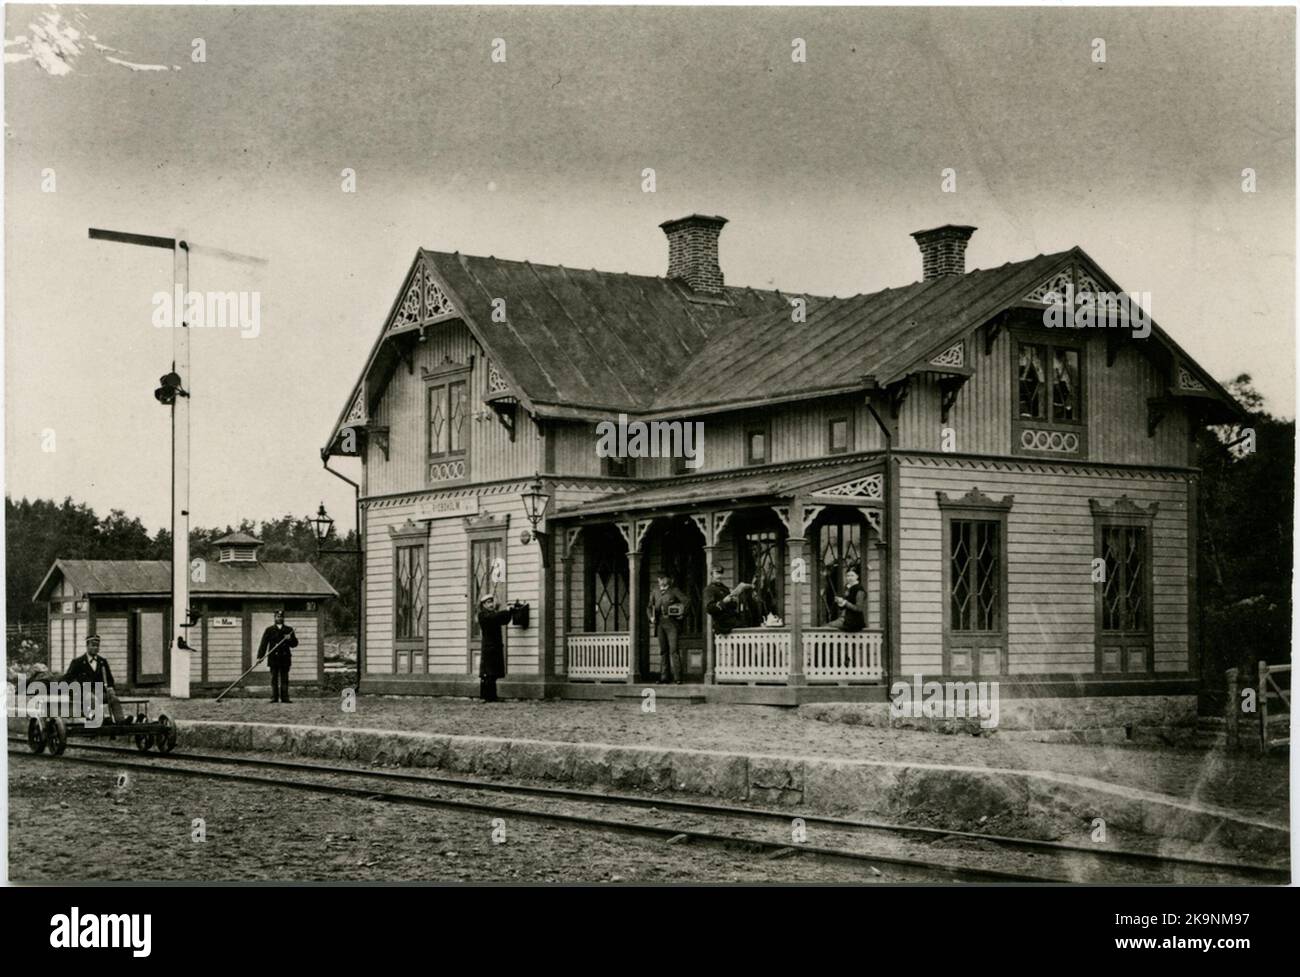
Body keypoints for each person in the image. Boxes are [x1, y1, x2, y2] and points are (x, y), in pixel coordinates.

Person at [62, 634, 125, 724]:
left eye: (97, 646)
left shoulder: (102, 662)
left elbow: (110, 679)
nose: (96, 648)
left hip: (99, 692)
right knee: (91, 698)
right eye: (93, 645)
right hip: (82, 694)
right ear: (87, 646)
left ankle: (121, 722)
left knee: (113, 697)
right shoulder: (77, 662)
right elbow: (67, 680)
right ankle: (100, 721)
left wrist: (110, 687)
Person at [648, 573, 690, 684]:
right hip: (660, 624)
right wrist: (651, 617)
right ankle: (664, 677)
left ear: (668, 579)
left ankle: (678, 678)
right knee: (663, 651)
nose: (661, 580)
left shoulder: (674, 591)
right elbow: (649, 607)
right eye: (659, 578)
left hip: (672, 623)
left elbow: (687, 602)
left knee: (674, 650)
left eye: (663, 577)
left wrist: (682, 614)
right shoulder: (655, 592)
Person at [476, 593, 515, 702]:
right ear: (483, 605)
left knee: (493, 674)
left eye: (492, 602)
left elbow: (504, 620)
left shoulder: (493, 614)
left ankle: (492, 697)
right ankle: (485, 696)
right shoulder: (483, 615)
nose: (491, 604)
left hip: (495, 647)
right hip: (488, 648)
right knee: (487, 674)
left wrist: (509, 612)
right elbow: (495, 617)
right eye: (488, 603)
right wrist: (507, 610)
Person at [257, 610, 298, 703]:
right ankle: (274, 697)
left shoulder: (289, 630)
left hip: (285, 658)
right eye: (277, 617)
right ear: (274, 618)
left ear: (283, 618)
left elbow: (294, 644)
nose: (279, 618)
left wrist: (290, 639)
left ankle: (285, 698)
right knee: (274, 678)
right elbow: (264, 644)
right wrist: (260, 657)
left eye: (281, 616)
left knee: (284, 678)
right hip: (273, 658)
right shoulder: (269, 630)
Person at [703, 566, 752, 636]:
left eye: (720, 574)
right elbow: (709, 608)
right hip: (722, 623)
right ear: (711, 575)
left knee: (746, 623)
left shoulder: (725, 588)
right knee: (744, 628)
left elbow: (732, 607)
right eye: (717, 574)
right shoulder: (709, 590)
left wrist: (734, 600)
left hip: (731, 619)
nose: (719, 576)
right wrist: (724, 602)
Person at [831, 567, 867, 632]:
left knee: (826, 628)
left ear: (857, 576)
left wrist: (844, 602)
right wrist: (839, 602)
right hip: (845, 619)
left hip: (854, 621)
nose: (849, 578)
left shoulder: (859, 590)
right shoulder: (848, 588)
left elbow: (859, 608)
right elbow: (844, 607)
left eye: (852, 575)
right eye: (848, 576)